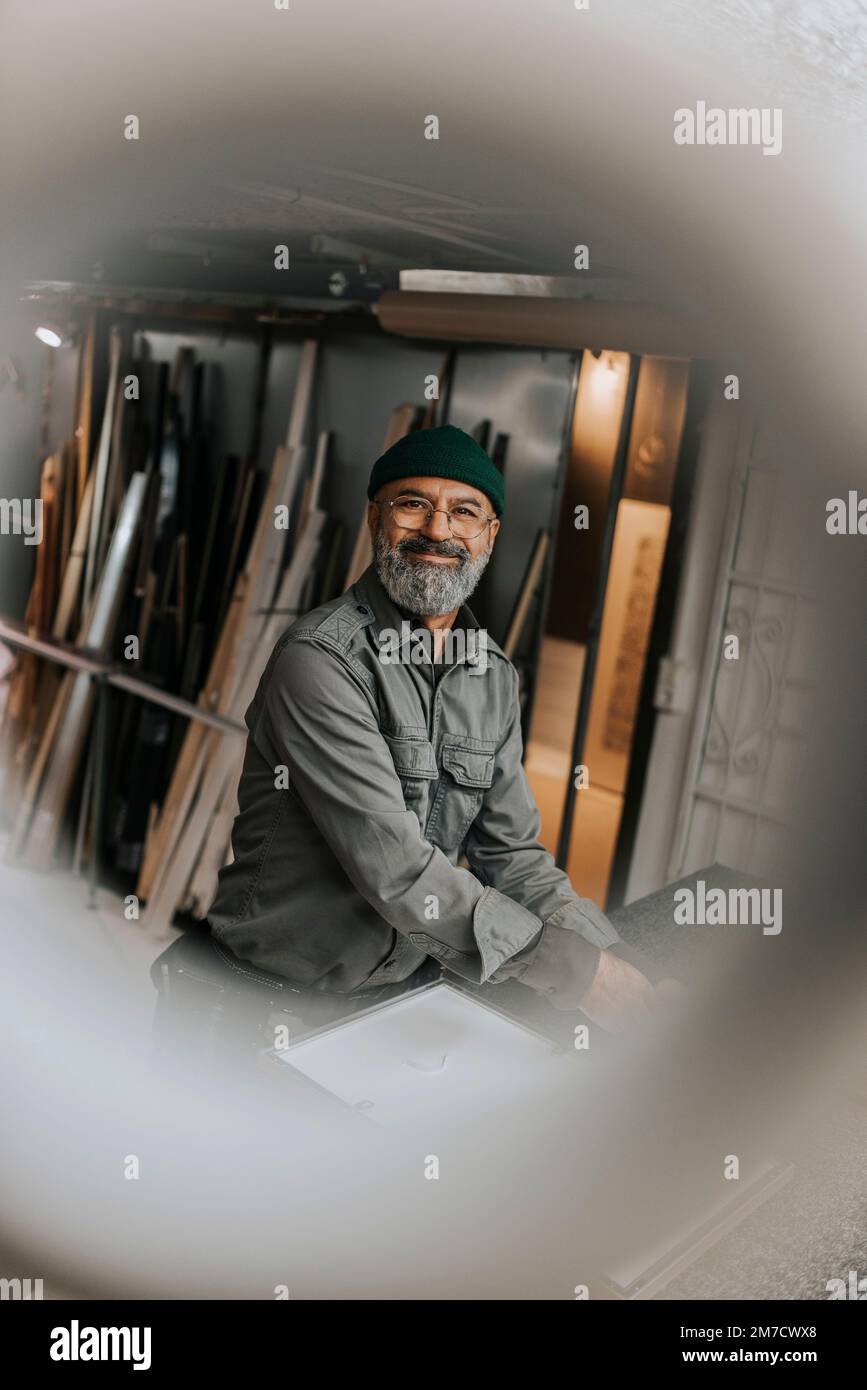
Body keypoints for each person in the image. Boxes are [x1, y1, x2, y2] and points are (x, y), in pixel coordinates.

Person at [207, 425, 671, 1033]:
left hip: (400, 996)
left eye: (464, 511)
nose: (437, 530)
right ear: (375, 517)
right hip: (271, 1001)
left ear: (490, 535)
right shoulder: (321, 660)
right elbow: (397, 869)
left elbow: (512, 855)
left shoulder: (492, 675)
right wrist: (578, 974)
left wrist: (621, 965)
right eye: (413, 504)